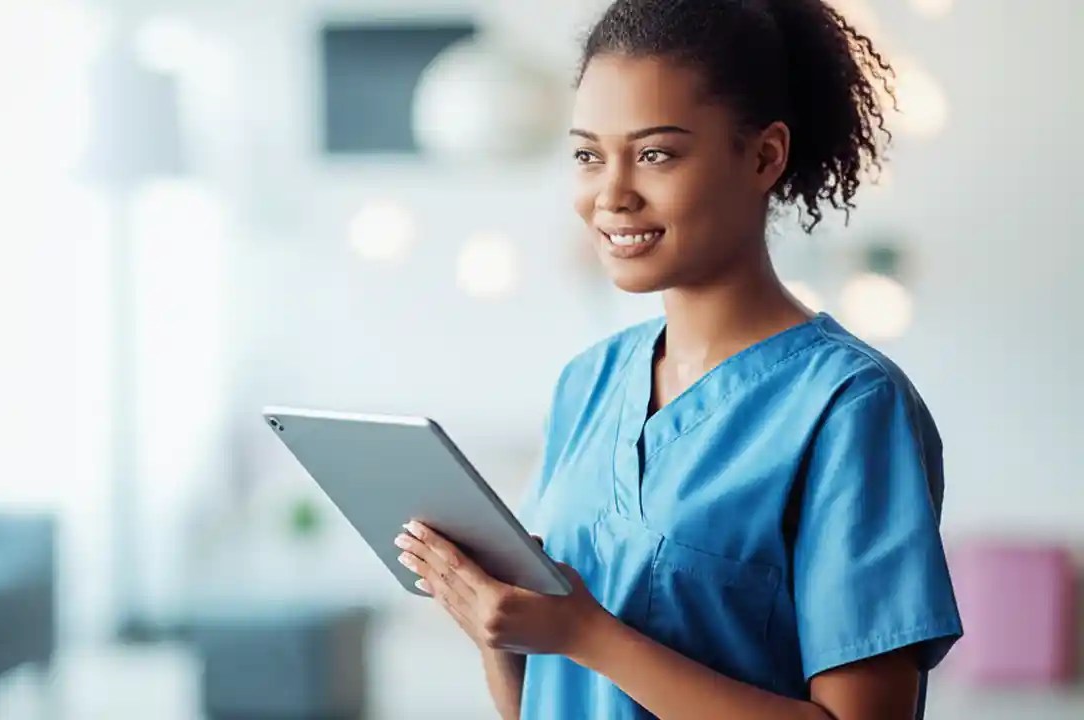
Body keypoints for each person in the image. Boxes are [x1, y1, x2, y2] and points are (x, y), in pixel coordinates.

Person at [393, 0, 963, 718]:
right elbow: (554, 701)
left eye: (656, 153)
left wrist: (584, 632)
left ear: (764, 156)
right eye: (587, 155)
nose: (612, 193)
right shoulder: (587, 383)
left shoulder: (847, 405)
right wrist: (500, 636)